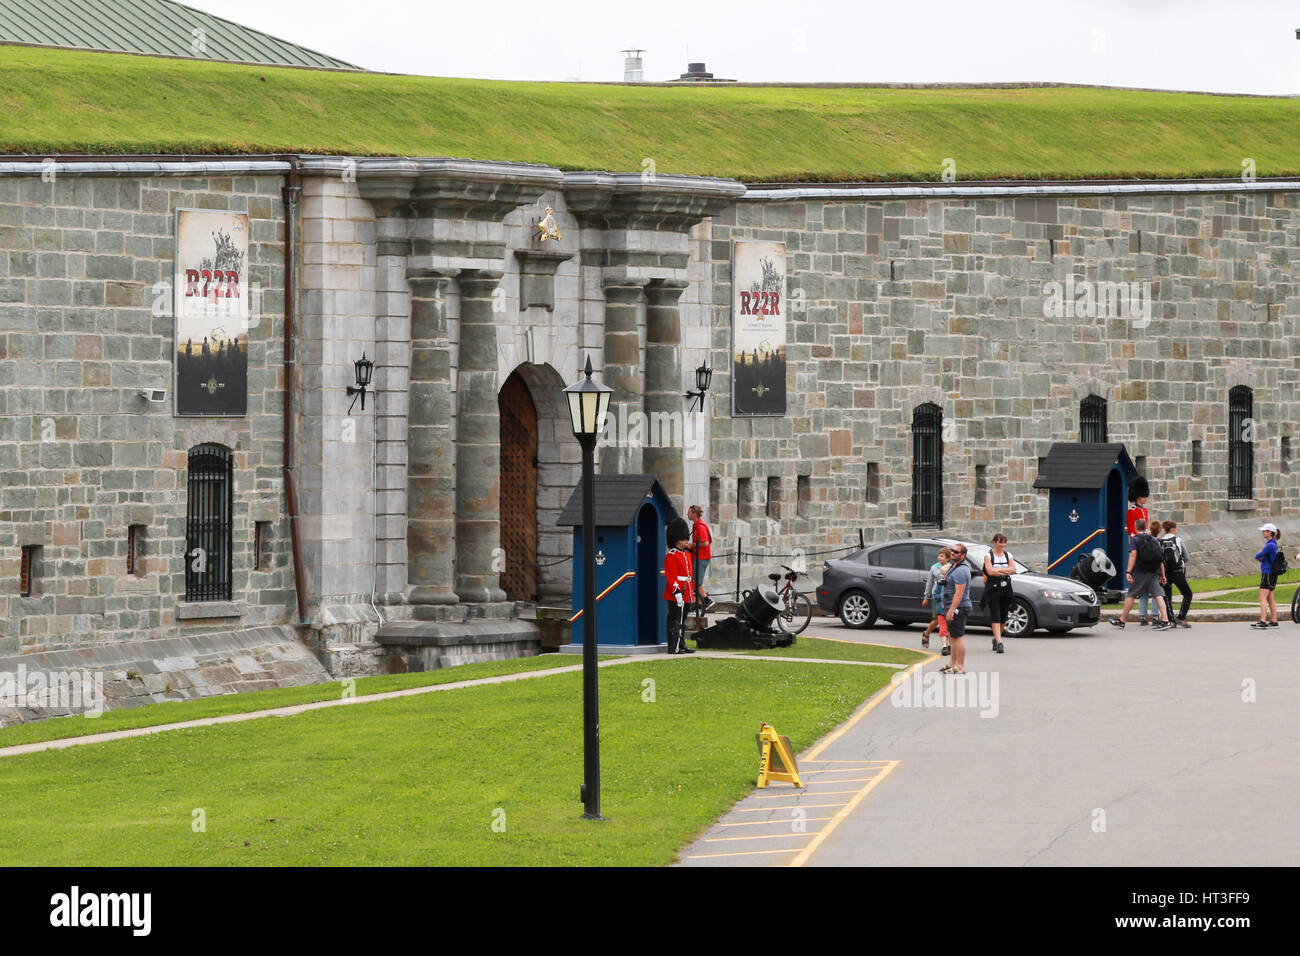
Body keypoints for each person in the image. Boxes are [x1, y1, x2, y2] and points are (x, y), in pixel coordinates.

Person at [1109, 518, 1174, 630]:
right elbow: (1160, 559)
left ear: (1135, 527)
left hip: (1141, 572)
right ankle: (1165, 620)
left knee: (1131, 594)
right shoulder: (1153, 540)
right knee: (1158, 595)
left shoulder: (1135, 540)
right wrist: (1163, 575)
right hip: (1154, 572)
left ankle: (1122, 620)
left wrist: (1128, 571)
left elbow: (1133, 556)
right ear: (1146, 527)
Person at [663, 517, 696, 653]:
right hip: (676, 594)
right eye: (683, 538)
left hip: (686, 592)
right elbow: (671, 576)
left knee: (682, 620)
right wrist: (676, 592)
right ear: (676, 539)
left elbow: (689, 576)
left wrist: (691, 591)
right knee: (674, 620)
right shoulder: (671, 555)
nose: (686, 540)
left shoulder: (686, 555)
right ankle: (674, 646)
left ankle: (681, 644)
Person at [941, 544, 974, 674]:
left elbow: (959, 593)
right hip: (952, 606)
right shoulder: (954, 567)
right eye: (952, 551)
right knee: (953, 636)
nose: (952, 553)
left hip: (959, 607)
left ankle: (960, 666)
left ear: (963, 555)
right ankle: (952, 664)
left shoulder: (961, 570)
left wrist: (951, 610)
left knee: (958, 636)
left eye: (956, 552)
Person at [982, 533, 1016, 653]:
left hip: (1006, 587)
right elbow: (990, 572)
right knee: (995, 614)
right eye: (1000, 542)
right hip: (993, 588)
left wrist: (998, 570)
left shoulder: (1008, 555)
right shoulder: (988, 555)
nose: (1002, 545)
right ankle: (1000, 642)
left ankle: (996, 639)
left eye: (1004, 542)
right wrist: (1005, 571)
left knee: (1003, 616)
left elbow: (1013, 569)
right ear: (994, 542)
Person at [1159, 520, 1193, 628]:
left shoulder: (1160, 541)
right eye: (1176, 528)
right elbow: (1186, 556)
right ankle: (1181, 617)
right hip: (1178, 571)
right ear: (1172, 529)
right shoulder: (1178, 540)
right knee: (1187, 594)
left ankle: (1171, 620)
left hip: (1165, 573)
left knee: (1167, 596)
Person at [1127, 478, 1152, 624]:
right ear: (1138, 497)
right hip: (1137, 545)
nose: (1146, 498)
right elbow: (1131, 531)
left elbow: (1145, 527)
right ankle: (1142, 614)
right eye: (1144, 495)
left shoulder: (1145, 511)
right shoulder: (1132, 511)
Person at [921, 547, 953, 653]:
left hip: (948, 597)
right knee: (937, 619)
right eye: (939, 555)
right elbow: (929, 583)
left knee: (944, 620)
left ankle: (947, 643)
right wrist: (926, 596)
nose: (939, 557)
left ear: (948, 558)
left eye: (942, 556)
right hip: (937, 596)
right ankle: (927, 633)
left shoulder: (951, 567)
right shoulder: (934, 567)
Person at [1252, 523, 1281, 629]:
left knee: (1262, 598)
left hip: (1267, 573)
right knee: (1270, 598)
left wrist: (1261, 555)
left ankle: (1263, 621)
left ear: (1270, 532)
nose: (1262, 532)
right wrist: (1262, 556)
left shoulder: (1269, 545)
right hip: (1272, 574)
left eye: (1264, 531)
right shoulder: (1274, 544)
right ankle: (1274, 621)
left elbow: (1257, 556)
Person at [687, 505, 714, 613]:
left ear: (694, 514)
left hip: (701, 557)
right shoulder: (697, 525)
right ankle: (699, 605)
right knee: (696, 581)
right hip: (699, 556)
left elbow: (705, 542)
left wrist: (691, 545)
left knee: (695, 582)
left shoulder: (700, 527)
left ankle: (707, 601)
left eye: (689, 512)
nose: (687, 514)